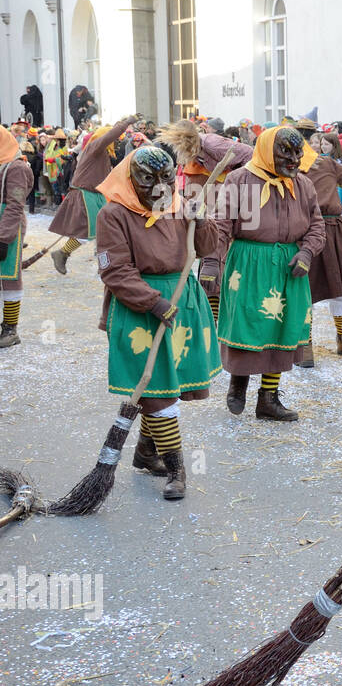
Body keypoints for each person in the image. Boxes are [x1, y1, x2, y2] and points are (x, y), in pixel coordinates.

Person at [95, 147, 223, 499]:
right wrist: (153, 302)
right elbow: (114, 269)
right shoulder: (113, 214)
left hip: (183, 298)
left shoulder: (180, 204)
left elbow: (206, 246)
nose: (158, 187)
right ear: (130, 178)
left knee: (168, 385)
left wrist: (202, 220)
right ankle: (177, 469)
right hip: (140, 305)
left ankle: (146, 451)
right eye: (147, 179)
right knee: (156, 389)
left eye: (166, 179)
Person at [212, 126, 325, 422]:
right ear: (265, 151)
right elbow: (222, 224)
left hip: (289, 264)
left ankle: (269, 398)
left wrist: (307, 252)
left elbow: (316, 224)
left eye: (297, 152)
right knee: (247, 325)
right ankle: (238, 384)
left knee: (281, 329)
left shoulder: (303, 185)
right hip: (249, 263)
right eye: (285, 152)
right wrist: (212, 262)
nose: (294, 159)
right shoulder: (238, 180)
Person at [158, 119, 254, 323]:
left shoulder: (213, 144)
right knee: (205, 240)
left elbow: (251, 156)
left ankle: (220, 312)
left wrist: (231, 180)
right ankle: (213, 312)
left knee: (219, 243)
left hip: (230, 192)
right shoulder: (194, 151)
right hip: (209, 194)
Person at [46, 114, 137, 273]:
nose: (115, 144)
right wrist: (127, 122)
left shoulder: (103, 155)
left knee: (107, 230)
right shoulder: (95, 147)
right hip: (85, 194)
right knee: (88, 232)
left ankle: (110, 263)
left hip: (96, 195)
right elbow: (109, 135)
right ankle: (62, 253)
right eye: (113, 141)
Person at [299, 128, 342, 363]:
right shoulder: (326, 163)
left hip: (305, 231)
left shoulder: (291, 169)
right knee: (339, 287)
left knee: (304, 291)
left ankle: (305, 348)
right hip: (331, 228)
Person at [0, 126, 35, 349]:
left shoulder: (17, 168)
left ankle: (10, 329)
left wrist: (4, 239)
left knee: (10, 278)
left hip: (8, 226)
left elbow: (15, 205)